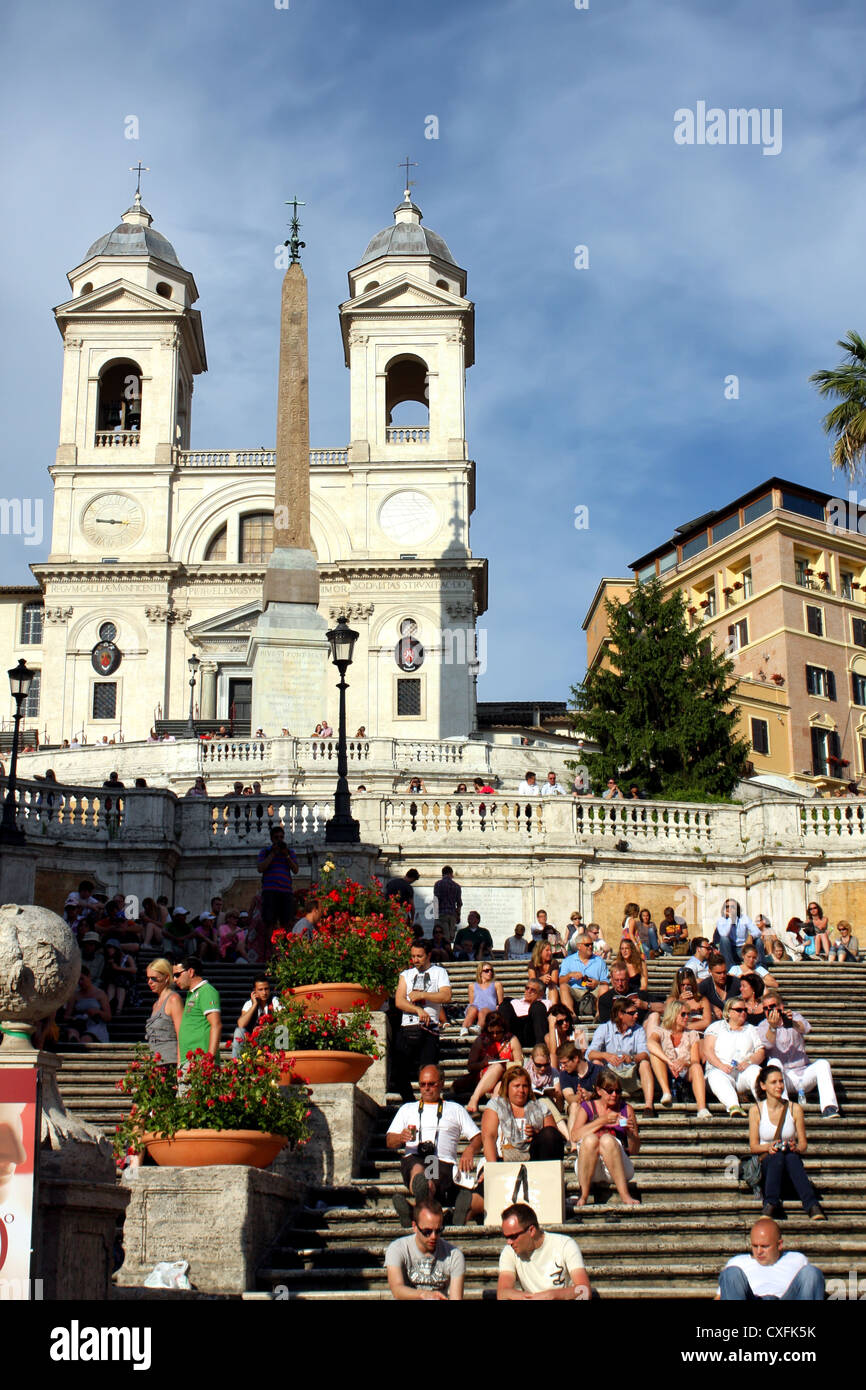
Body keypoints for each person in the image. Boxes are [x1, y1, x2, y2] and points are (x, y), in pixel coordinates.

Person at [385, 1066, 482, 1227]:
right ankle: (423, 1193)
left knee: (428, 1179)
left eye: (431, 1084)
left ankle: (414, 1213)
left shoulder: (455, 1109)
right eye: (422, 1084)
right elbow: (389, 1141)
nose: (426, 1088)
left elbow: (478, 1137)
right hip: (414, 1157)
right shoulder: (407, 1109)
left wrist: (470, 1150)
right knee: (418, 1171)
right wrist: (401, 1137)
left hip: (441, 1161)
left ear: (442, 1083)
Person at [748, 1066, 826, 1220]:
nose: (779, 1086)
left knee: (790, 1157)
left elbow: (803, 1145)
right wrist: (768, 1147)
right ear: (763, 1086)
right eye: (774, 1082)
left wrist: (795, 1147)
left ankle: (811, 1205)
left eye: (781, 1082)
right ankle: (771, 1202)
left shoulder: (794, 1109)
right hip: (768, 1164)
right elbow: (753, 1146)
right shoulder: (756, 1110)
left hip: (789, 1164)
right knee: (777, 1156)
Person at [757, 991, 839, 1116]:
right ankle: (783, 1108)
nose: (769, 1011)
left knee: (823, 1064)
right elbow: (767, 1044)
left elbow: (806, 1029)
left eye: (772, 1007)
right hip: (783, 1077)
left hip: (803, 1072)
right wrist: (772, 1027)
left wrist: (792, 1023)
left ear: (781, 1007)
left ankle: (829, 1107)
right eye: (766, 1008)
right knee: (773, 1062)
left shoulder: (794, 1016)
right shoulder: (763, 1025)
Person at [571, 1070, 641, 1207]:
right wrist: (602, 1121)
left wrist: (631, 1133)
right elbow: (574, 1136)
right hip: (591, 1166)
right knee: (590, 1139)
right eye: (610, 1091)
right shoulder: (588, 1107)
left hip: (617, 1167)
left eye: (618, 1091)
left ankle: (624, 1195)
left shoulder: (626, 1109)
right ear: (599, 1090)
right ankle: (584, 1195)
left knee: (607, 1140)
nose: (615, 1095)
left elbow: (634, 1150)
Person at [392, 941, 452, 1103]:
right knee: (399, 1071)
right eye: (413, 956)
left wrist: (423, 996)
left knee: (429, 1070)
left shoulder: (439, 972)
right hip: (408, 1027)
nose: (415, 960)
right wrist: (417, 1010)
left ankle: (429, 1103)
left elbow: (446, 996)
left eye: (419, 956)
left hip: (429, 1029)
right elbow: (399, 1000)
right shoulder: (406, 974)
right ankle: (410, 1103)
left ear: (428, 955)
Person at [497, 1203, 591, 1300]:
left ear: (531, 1230)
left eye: (513, 1237)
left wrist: (551, 1296)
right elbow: (502, 1293)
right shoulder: (509, 1252)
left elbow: (584, 1290)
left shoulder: (565, 1245)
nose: (509, 1242)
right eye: (506, 1237)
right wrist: (529, 1298)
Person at [717, 1218, 826, 1300]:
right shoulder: (738, 1262)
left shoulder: (797, 1259)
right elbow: (720, 1297)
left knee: (811, 1273)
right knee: (731, 1272)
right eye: (755, 1246)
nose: (759, 1251)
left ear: (779, 1245)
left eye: (765, 1246)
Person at [481, 1065, 565, 1164]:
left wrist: (536, 1133)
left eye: (524, 1086)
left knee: (549, 1134)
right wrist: (493, 1167)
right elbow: (488, 1138)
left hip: (534, 1159)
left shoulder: (540, 1107)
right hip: (503, 1160)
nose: (521, 1090)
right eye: (516, 1086)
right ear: (507, 1087)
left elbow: (553, 1136)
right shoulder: (495, 1105)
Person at [385, 1198, 465, 1300]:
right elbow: (397, 1289)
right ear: (414, 1226)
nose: (433, 1236)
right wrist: (424, 1295)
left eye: (438, 1231)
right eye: (427, 1231)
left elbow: (456, 1297)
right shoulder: (397, 1248)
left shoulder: (454, 1255)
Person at [645, 998, 712, 1117]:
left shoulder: (692, 1034)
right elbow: (650, 1044)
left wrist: (684, 1063)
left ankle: (702, 1108)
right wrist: (669, 1062)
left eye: (688, 1014)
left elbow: (695, 1060)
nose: (687, 1017)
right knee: (655, 1055)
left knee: (696, 1067)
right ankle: (666, 1092)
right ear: (674, 1014)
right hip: (665, 1070)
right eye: (683, 1014)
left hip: (685, 1071)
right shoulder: (661, 1031)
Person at [587, 998, 656, 1112]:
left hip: (631, 1072)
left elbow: (645, 1054)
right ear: (620, 1014)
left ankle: (649, 1106)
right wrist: (605, 1055)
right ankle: (602, 1104)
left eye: (636, 1012)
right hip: (610, 1073)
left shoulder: (638, 1030)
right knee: (596, 1063)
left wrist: (632, 1058)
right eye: (632, 1013)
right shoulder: (604, 1028)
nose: (636, 1016)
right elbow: (590, 1054)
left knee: (644, 1064)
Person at [702, 997, 765, 1116]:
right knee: (715, 1076)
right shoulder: (716, 1027)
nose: (743, 1013)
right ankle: (733, 1106)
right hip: (720, 1070)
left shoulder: (752, 1029)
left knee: (756, 1071)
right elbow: (708, 1050)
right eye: (739, 1010)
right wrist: (721, 1066)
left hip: (742, 1073)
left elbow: (760, 1051)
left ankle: (764, 1104)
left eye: (745, 1010)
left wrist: (750, 1062)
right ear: (729, 1012)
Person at [174, 958, 221, 1061]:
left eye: (177, 975)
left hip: (201, 1062)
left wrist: (209, 1059)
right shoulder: (191, 994)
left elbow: (216, 1025)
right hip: (188, 1061)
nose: (174, 979)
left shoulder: (207, 991)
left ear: (191, 972)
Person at [256, 824, 299, 931]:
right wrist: (273, 854)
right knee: (270, 923)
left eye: (281, 837)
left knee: (288, 922)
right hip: (270, 891)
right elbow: (260, 868)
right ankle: (270, 947)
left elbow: (295, 870)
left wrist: (286, 856)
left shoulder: (290, 852)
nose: (279, 840)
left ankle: (287, 946)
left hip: (286, 891)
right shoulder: (265, 852)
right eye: (276, 837)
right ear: (271, 839)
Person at [558, 934, 610, 1016]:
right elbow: (560, 981)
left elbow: (606, 982)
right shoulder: (568, 961)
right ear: (579, 946)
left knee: (604, 987)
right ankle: (572, 1015)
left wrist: (597, 983)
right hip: (576, 992)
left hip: (594, 992)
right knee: (563, 987)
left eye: (591, 944)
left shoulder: (599, 961)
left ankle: (599, 1015)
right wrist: (569, 975)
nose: (590, 947)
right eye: (587, 945)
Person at [143, 957, 182, 1066]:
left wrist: (180, 1066)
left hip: (170, 1062)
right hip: (155, 1062)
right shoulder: (155, 1004)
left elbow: (181, 1035)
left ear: (166, 978)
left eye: (154, 978)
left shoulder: (173, 1000)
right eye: (148, 978)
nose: (150, 982)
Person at [596, 961, 659, 1027]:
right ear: (611, 979)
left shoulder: (639, 993)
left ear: (628, 978)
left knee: (655, 1015)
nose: (620, 984)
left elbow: (664, 1007)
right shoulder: (605, 999)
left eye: (623, 980)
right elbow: (607, 1025)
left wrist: (646, 1005)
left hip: (640, 1031)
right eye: (616, 980)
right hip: (616, 1032)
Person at [232, 977, 281, 1058]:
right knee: (238, 1031)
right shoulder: (249, 1004)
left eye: (266, 989)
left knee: (283, 1029)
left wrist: (268, 1028)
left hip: (271, 1038)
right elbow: (241, 1024)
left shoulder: (275, 1001)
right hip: (253, 1040)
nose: (264, 992)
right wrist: (254, 1004)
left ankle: (283, 1060)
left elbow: (284, 1021)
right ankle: (238, 1064)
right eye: (260, 989)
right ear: (254, 991)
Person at [498, 978, 552, 1050]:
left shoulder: (546, 1003)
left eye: (533, 990)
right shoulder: (515, 1002)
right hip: (515, 1031)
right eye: (527, 988)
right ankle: (503, 1045)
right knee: (504, 1005)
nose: (528, 991)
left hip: (533, 1031)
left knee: (537, 1006)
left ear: (541, 993)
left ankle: (541, 1047)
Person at [64, 966, 111, 1043]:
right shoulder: (75, 996)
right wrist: (74, 1019)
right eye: (78, 980)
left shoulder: (100, 994)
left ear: (89, 977)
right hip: (79, 1023)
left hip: (95, 1025)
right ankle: (74, 1041)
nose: (80, 982)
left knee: (86, 1038)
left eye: (82, 979)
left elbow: (108, 1017)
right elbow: (66, 1016)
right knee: (72, 1033)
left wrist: (97, 1012)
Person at [714, 898, 763, 969]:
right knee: (724, 939)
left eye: (732, 907)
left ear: (737, 909)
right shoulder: (721, 920)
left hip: (743, 948)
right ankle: (730, 969)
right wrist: (730, 919)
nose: (730, 909)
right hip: (729, 950)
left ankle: (760, 967)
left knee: (758, 940)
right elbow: (724, 934)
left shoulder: (744, 918)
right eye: (727, 906)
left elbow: (758, 931)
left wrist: (751, 936)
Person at [460, 962, 503, 1037]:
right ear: (480, 972)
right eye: (486, 970)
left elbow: (501, 1002)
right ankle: (464, 1028)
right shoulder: (472, 986)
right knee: (472, 1008)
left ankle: (478, 1027)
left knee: (484, 1010)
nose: (489, 972)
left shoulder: (497, 985)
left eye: (491, 970)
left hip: (489, 1008)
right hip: (475, 1007)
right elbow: (471, 1002)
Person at [669, 968, 712, 1034]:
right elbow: (670, 1020)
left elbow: (707, 1022)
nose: (685, 987)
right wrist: (680, 1002)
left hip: (697, 1033)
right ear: (677, 985)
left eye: (688, 984)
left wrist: (686, 1026)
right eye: (682, 985)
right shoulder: (672, 1000)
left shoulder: (702, 1000)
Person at [699, 954, 742, 1019]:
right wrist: (710, 1006)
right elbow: (696, 1000)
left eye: (724, 972)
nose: (722, 976)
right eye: (718, 973)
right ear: (710, 971)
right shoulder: (704, 986)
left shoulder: (736, 982)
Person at [432, 865, 462, 941]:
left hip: (441, 914)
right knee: (450, 938)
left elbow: (436, 900)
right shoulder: (457, 886)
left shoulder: (438, 884)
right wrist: (458, 915)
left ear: (443, 874)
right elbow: (459, 903)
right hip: (452, 915)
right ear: (451, 874)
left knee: (440, 938)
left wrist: (435, 916)